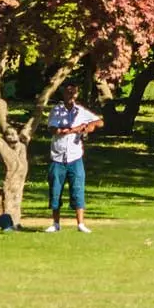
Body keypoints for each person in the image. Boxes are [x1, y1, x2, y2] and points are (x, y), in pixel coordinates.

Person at [46, 82, 103, 233]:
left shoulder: (81, 111)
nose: (71, 95)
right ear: (63, 94)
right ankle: (55, 223)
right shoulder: (57, 110)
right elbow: (52, 128)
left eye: (74, 93)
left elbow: (99, 121)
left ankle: (80, 224)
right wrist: (64, 131)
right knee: (55, 190)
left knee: (78, 189)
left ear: (76, 94)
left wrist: (89, 127)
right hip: (58, 157)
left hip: (75, 157)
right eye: (68, 92)